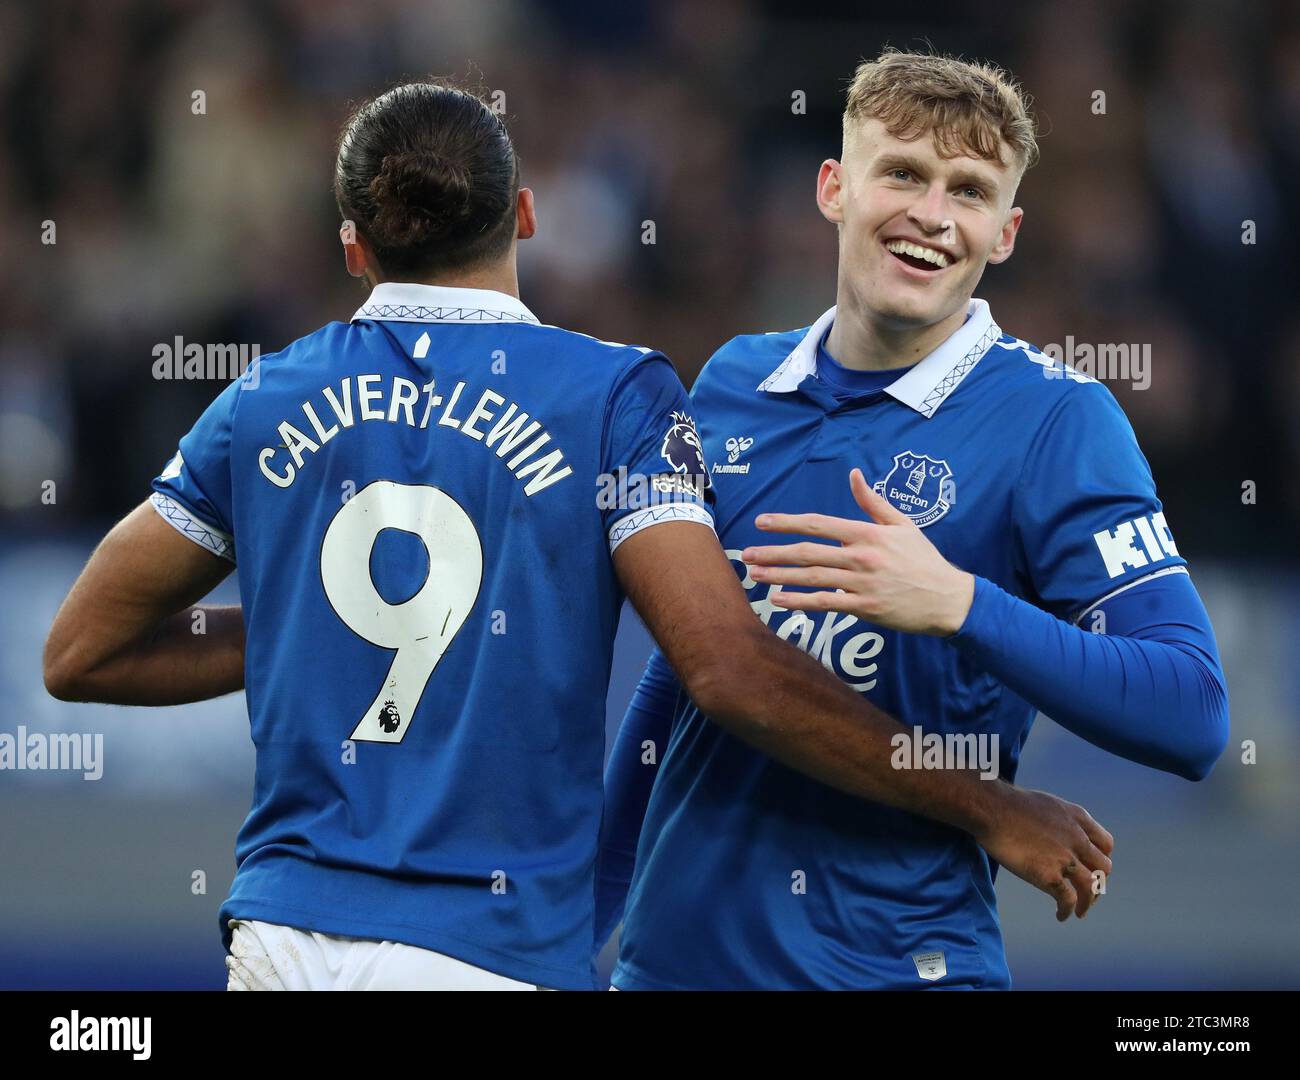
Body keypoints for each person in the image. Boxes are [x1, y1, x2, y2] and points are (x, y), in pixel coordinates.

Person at [43, 80, 1111, 992]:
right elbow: (727, 671)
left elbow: (82, 650)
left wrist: (308, 621)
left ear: (353, 245)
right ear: (526, 214)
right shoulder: (613, 398)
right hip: (485, 947)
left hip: (277, 932)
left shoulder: (264, 400)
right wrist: (984, 803)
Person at [601, 49, 1228, 990]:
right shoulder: (733, 382)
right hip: (673, 968)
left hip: (894, 968)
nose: (932, 216)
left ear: (1006, 232)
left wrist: (959, 602)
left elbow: (1192, 711)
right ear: (833, 189)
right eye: (902, 173)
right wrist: (588, 917)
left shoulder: (1058, 421)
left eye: (970, 191)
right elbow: (690, 672)